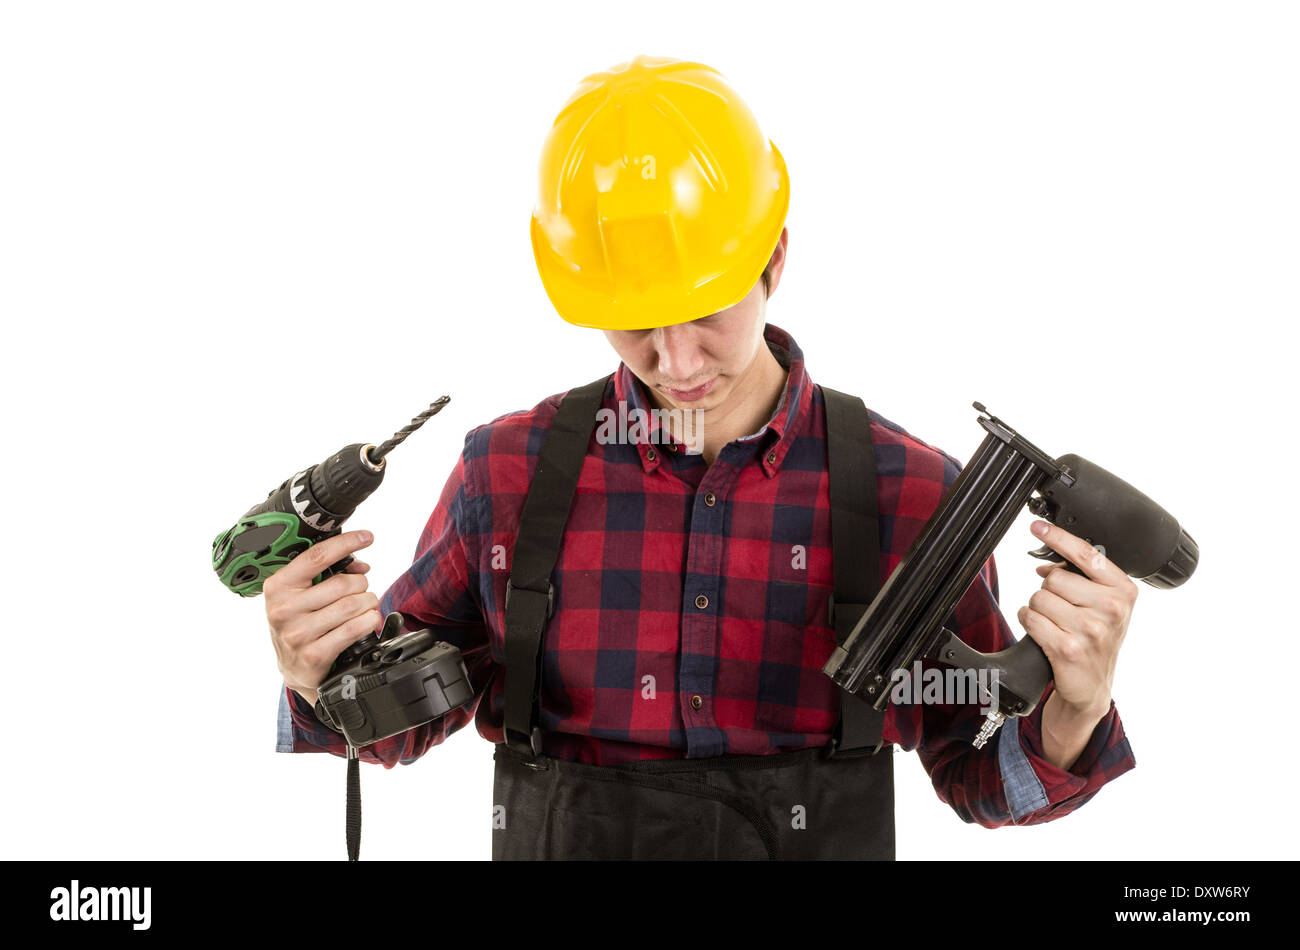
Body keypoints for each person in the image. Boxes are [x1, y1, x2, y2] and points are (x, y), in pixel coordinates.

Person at [267, 55, 1138, 859]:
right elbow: (391, 724)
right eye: (637, 320)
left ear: (774, 259)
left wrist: (1075, 707)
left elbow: (984, 773)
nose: (676, 364)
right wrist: (318, 679)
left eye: (706, 309)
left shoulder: (909, 491)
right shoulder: (509, 474)